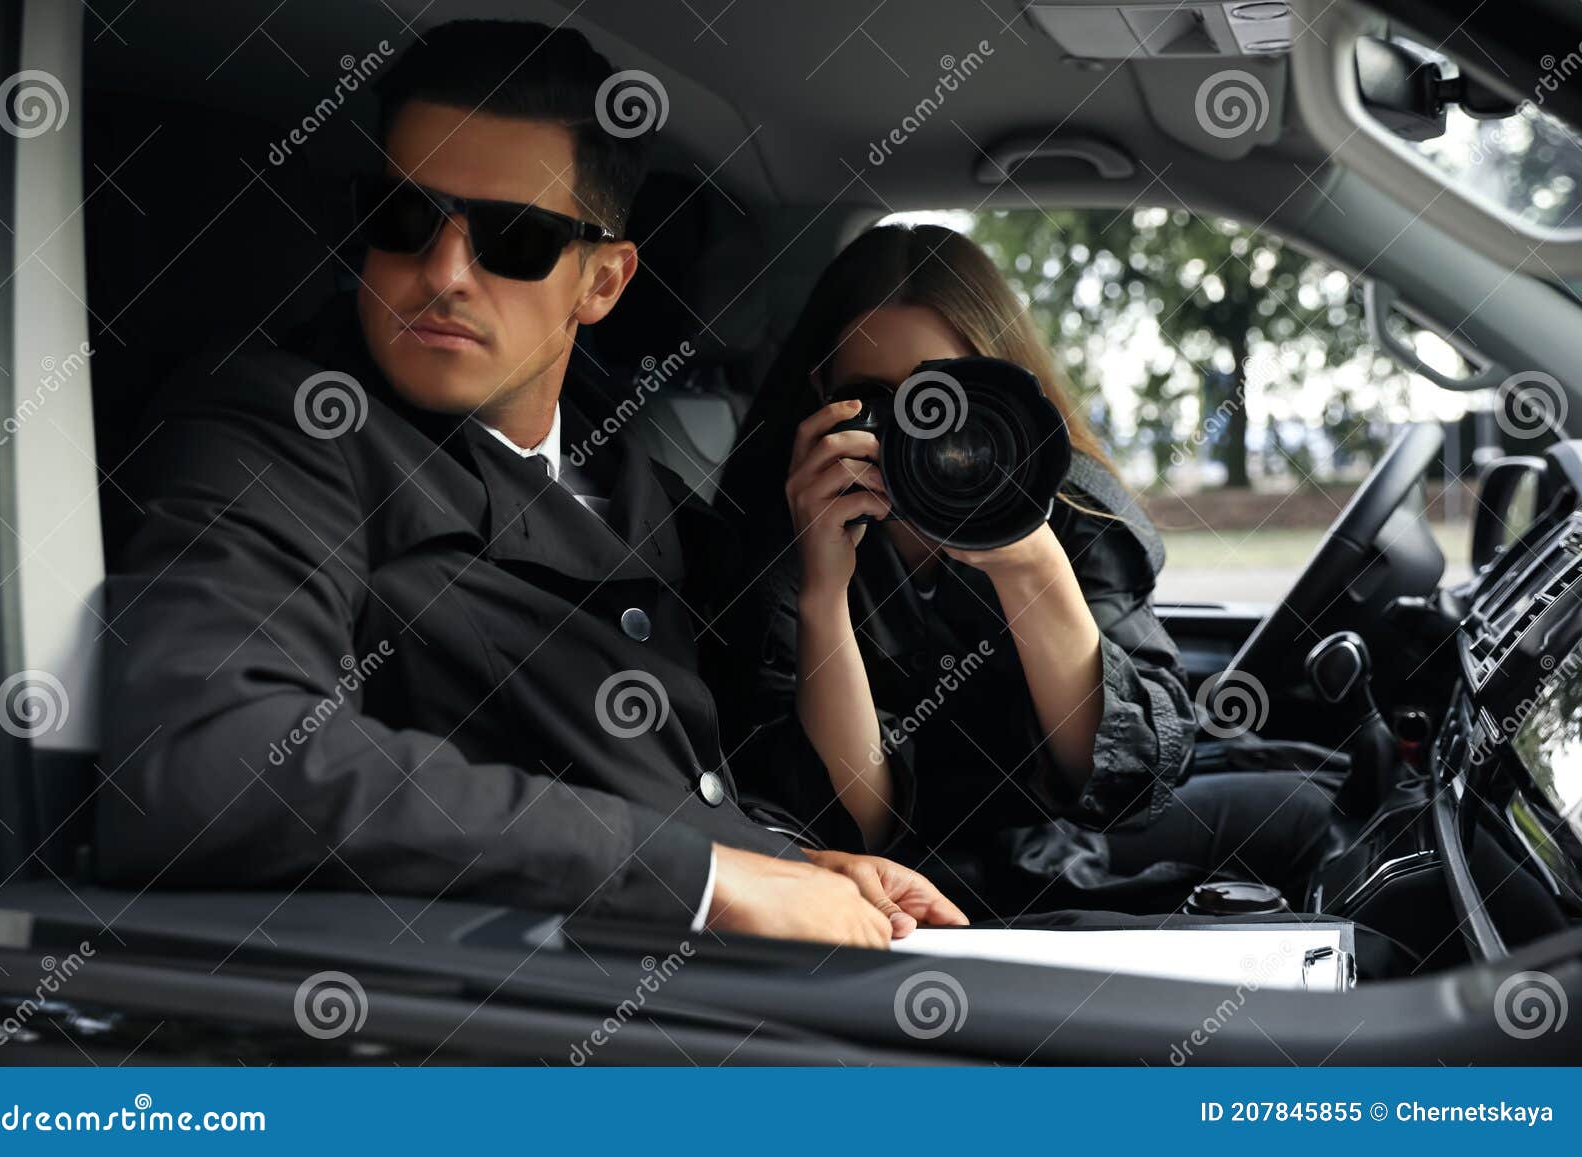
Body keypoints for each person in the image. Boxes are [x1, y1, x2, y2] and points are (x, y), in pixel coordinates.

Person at [94, 20, 967, 949]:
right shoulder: (281, 431)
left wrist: (777, 858)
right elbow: (207, 755)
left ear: (602, 283)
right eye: (404, 218)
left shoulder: (652, 497)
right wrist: (703, 876)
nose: (441, 274)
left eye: (513, 238)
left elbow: (699, 768)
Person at [717, 223, 1337, 917]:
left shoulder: (1067, 503)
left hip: (1062, 832)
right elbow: (855, 826)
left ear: (1003, 392)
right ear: (819, 393)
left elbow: (1126, 781)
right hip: (900, 887)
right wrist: (823, 591)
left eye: (943, 401)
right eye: (872, 401)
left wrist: (1031, 559)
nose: (914, 434)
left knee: (1313, 804)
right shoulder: (779, 522)